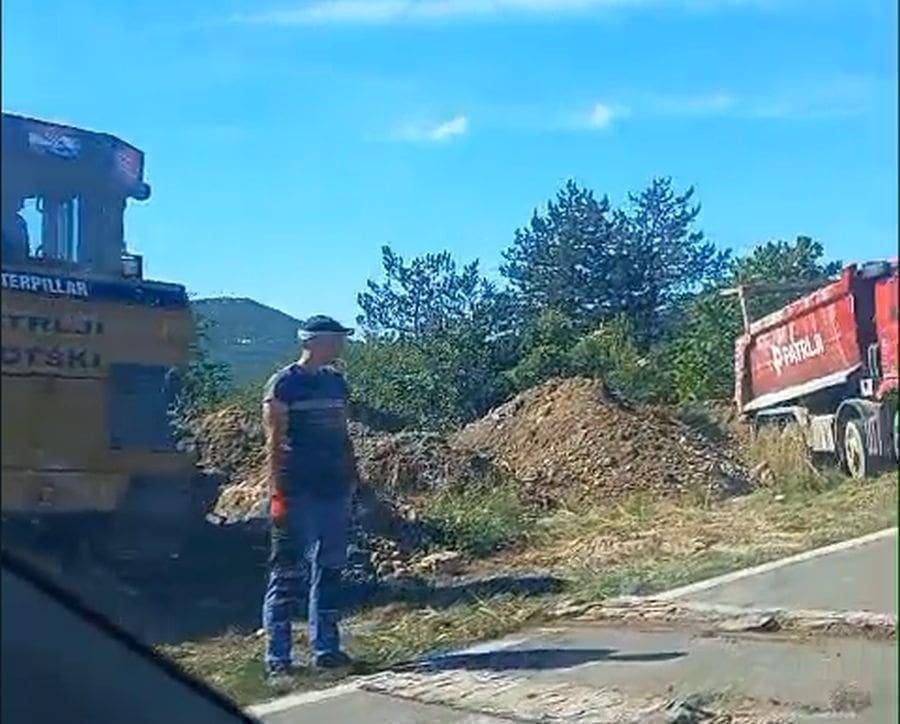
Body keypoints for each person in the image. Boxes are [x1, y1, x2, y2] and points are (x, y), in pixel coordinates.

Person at [260, 315, 359, 685]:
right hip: (296, 487)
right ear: (316, 342)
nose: (342, 346)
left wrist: (353, 477)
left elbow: (344, 433)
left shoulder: (336, 382)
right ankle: (278, 657)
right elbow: (273, 441)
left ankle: (326, 650)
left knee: (330, 568)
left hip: (333, 486)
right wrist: (276, 492)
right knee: (286, 573)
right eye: (337, 339)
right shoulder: (284, 384)